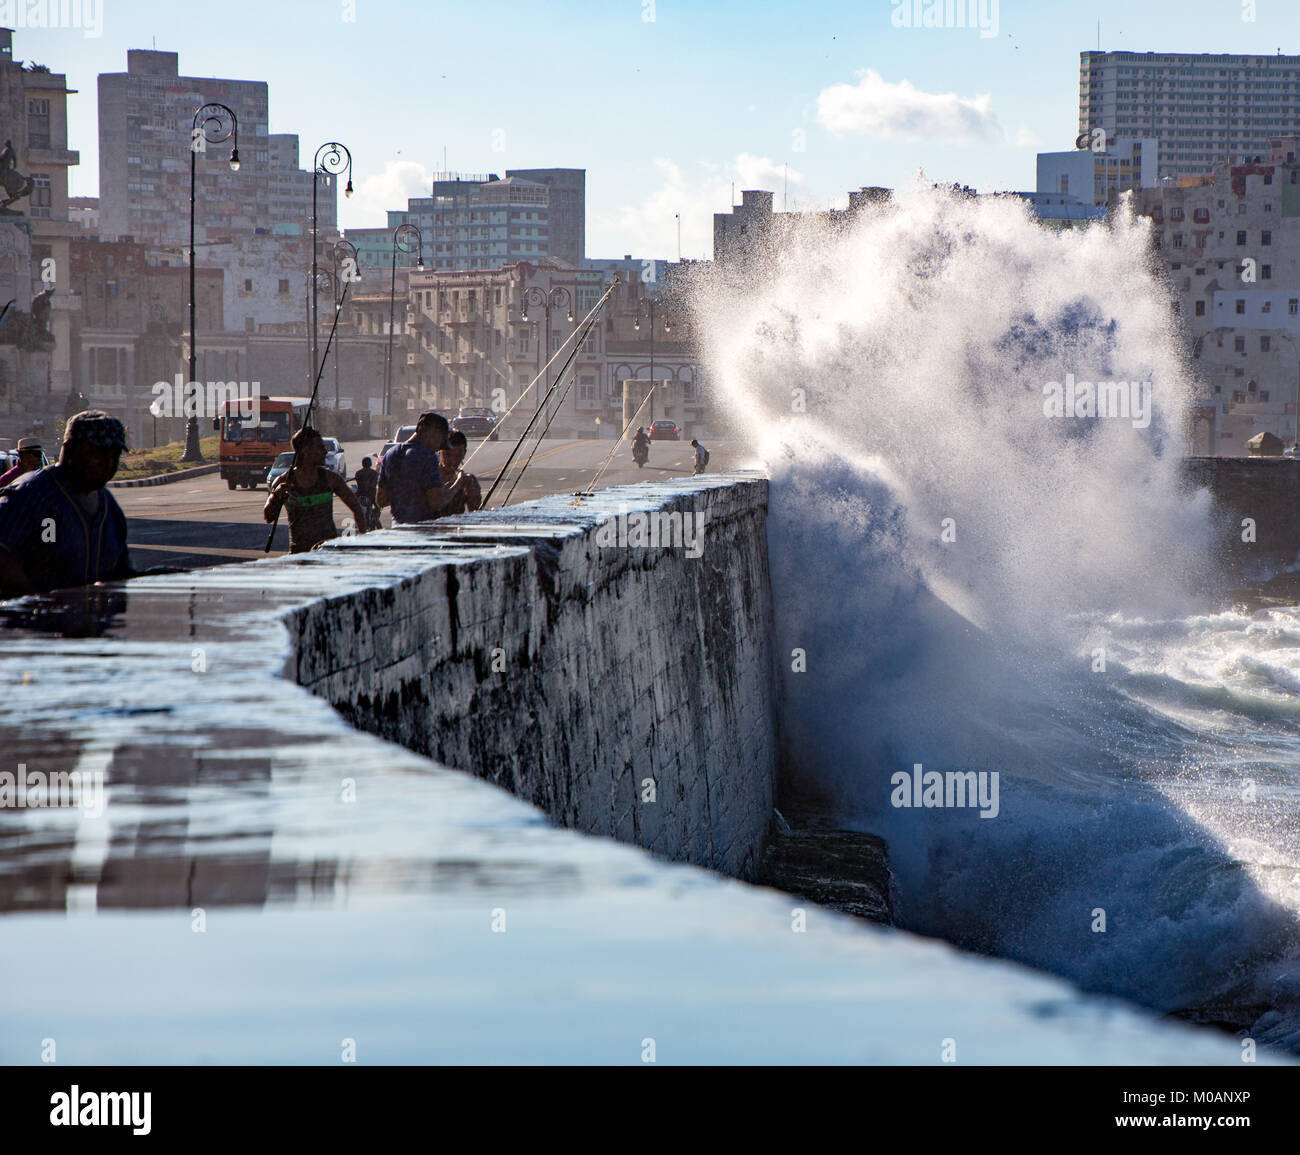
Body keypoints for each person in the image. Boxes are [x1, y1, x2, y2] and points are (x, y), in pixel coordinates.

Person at [0, 411, 133, 598]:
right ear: (69, 451)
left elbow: (121, 572)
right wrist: (34, 599)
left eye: (115, 455)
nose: (108, 463)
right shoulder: (32, 495)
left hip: (91, 622)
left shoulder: (108, 506)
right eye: (98, 454)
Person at [263, 426, 369, 553]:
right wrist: (276, 496)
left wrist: (363, 540)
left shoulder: (331, 479)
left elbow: (356, 508)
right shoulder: (283, 482)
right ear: (306, 451)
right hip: (299, 554)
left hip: (328, 552)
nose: (325, 452)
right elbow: (269, 517)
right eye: (320, 447)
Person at [376, 410, 469, 524]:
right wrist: (459, 481)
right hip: (424, 530)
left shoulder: (390, 454)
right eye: (441, 442)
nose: (438, 448)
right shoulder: (427, 456)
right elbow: (436, 502)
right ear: (433, 434)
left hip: (399, 529)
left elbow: (381, 500)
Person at [435, 431, 483, 517]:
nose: (452, 461)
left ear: (464, 453)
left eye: (457, 456)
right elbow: (437, 502)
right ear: (439, 451)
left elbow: (475, 512)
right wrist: (458, 482)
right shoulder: (430, 476)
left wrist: (472, 492)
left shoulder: (466, 480)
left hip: (456, 528)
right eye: (447, 455)